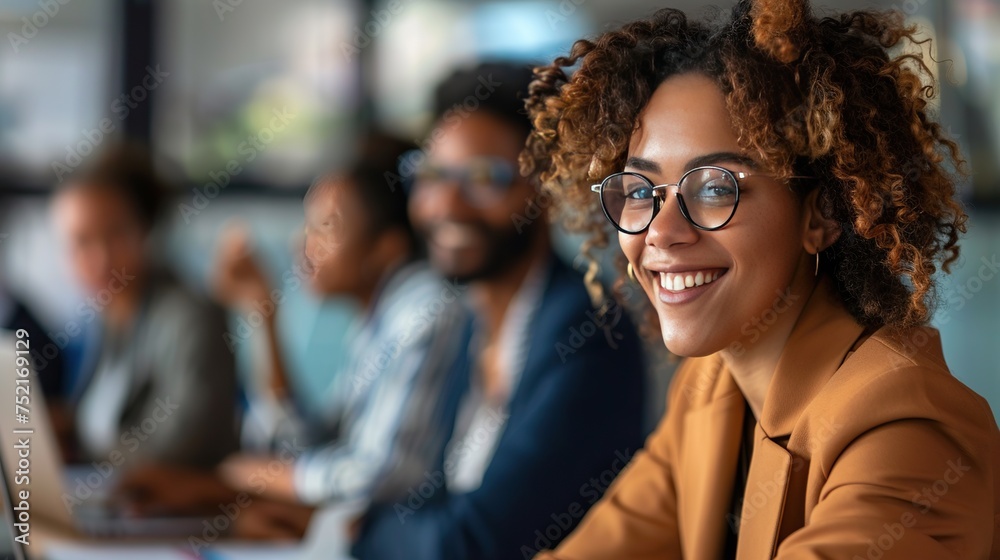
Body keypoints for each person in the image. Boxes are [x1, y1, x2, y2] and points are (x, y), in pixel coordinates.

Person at [520, 1, 1000, 558]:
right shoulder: (709, 390)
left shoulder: (906, 429)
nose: (662, 231)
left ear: (820, 215)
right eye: (641, 190)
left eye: (717, 187)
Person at [349, 62, 648, 560]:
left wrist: (354, 526)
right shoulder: (468, 320)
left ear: (545, 191)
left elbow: (477, 543)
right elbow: (433, 497)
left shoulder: (587, 331)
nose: (446, 204)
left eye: (485, 177)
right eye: (432, 174)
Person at [115, 131, 470, 535]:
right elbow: (314, 446)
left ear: (386, 249)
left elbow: (379, 476)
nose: (301, 243)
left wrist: (252, 480)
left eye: (326, 228)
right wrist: (263, 312)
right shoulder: (377, 320)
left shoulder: (422, 313)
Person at [52, 144, 238, 469]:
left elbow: (182, 448)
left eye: (115, 235)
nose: (100, 260)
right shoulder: (108, 316)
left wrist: (87, 459)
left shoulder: (190, 317)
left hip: (180, 513)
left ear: (147, 229)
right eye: (81, 241)